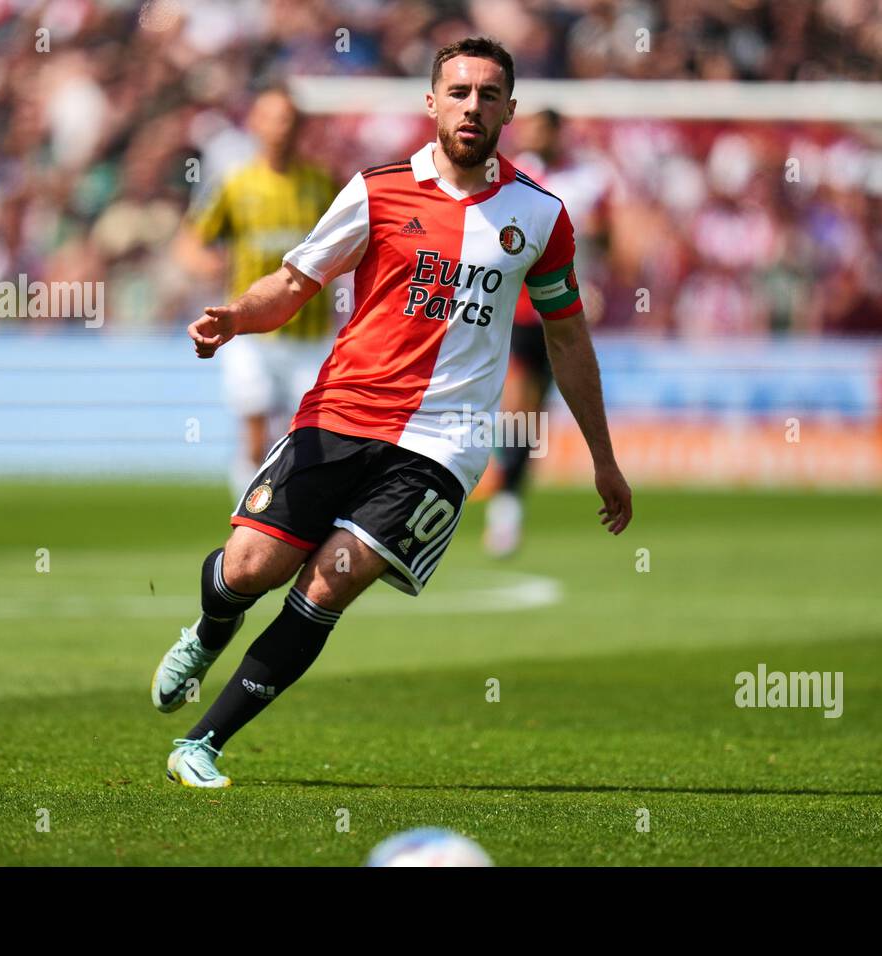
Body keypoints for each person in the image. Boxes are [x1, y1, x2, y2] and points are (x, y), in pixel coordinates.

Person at [152, 37, 633, 788]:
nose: (473, 106)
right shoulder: (377, 190)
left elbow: (568, 338)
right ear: (432, 102)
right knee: (249, 568)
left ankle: (202, 744)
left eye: (489, 94)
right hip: (341, 413)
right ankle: (210, 630)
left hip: (443, 446)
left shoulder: (539, 217)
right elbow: (294, 281)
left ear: (509, 109)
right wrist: (235, 318)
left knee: (329, 582)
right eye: (460, 91)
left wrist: (604, 458)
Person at [175, 88, 339, 497]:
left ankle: (291, 519)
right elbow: (190, 243)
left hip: (309, 335)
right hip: (250, 334)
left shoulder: (322, 184)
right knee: (253, 434)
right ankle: (246, 522)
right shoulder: (236, 185)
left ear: (299, 126)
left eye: (287, 119)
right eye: (271, 118)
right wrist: (205, 263)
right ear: (255, 125)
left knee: (308, 439)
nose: (280, 128)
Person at [483, 108, 616, 556]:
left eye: (541, 129)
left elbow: (604, 243)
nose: (531, 135)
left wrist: (592, 275)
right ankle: (501, 502)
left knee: (532, 415)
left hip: (563, 309)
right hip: (517, 307)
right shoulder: (512, 174)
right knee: (517, 405)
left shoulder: (590, 179)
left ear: (558, 133)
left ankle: (510, 497)